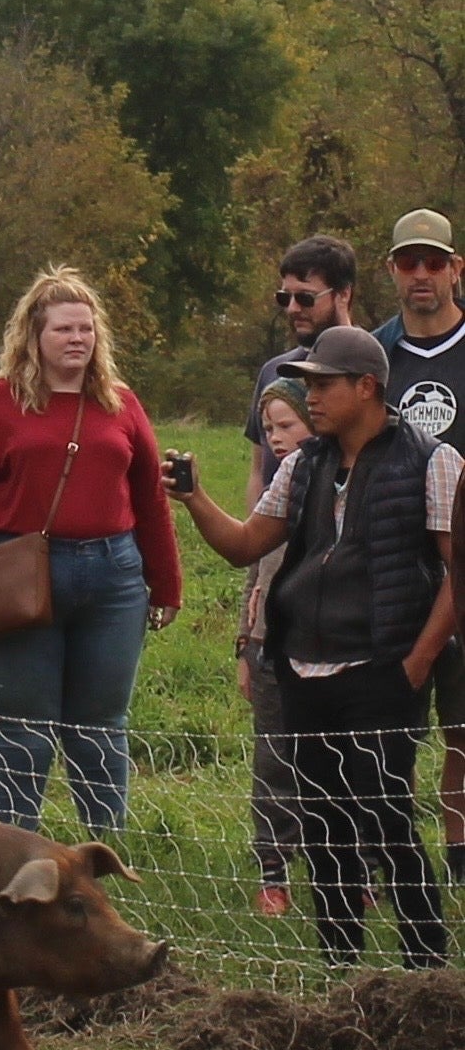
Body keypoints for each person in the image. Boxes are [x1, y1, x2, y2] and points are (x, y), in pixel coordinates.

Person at [169, 323, 457, 970]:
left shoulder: (432, 461)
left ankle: (426, 970)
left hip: (381, 673)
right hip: (303, 670)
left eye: (323, 385)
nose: (312, 398)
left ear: (366, 387)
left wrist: (413, 665)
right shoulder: (302, 465)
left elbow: (457, 573)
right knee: (323, 828)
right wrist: (192, 499)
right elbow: (246, 544)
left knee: (385, 823)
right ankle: (339, 970)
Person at [0, 267, 181, 833]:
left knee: (100, 724)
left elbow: (149, 498)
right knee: (24, 722)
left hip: (113, 575)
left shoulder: (121, 404)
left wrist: (166, 584)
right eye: (63, 330)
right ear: (34, 337)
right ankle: (15, 847)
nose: (77, 339)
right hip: (16, 569)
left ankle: (105, 848)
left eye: (85, 330)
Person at [371, 210, 465, 877]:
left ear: (455, 268)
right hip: (394, 561)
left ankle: (460, 862)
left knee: (463, 732)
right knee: (382, 731)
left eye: (434, 262)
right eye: (409, 263)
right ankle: (382, 861)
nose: (421, 275)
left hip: (463, 558)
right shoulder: (372, 356)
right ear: (392, 272)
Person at [239, 376, 313, 915]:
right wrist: (244, 645)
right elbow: (251, 566)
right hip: (269, 646)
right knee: (274, 761)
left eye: (287, 425)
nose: (277, 438)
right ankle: (273, 870)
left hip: (330, 643)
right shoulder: (275, 491)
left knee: (339, 760)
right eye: (269, 429)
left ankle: (353, 868)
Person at [244, 235, 355, 502]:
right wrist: (254, 536)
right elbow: (259, 470)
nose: (293, 309)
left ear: (343, 295)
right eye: (284, 298)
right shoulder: (275, 371)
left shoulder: (373, 369)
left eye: (305, 298)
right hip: (276, 533)